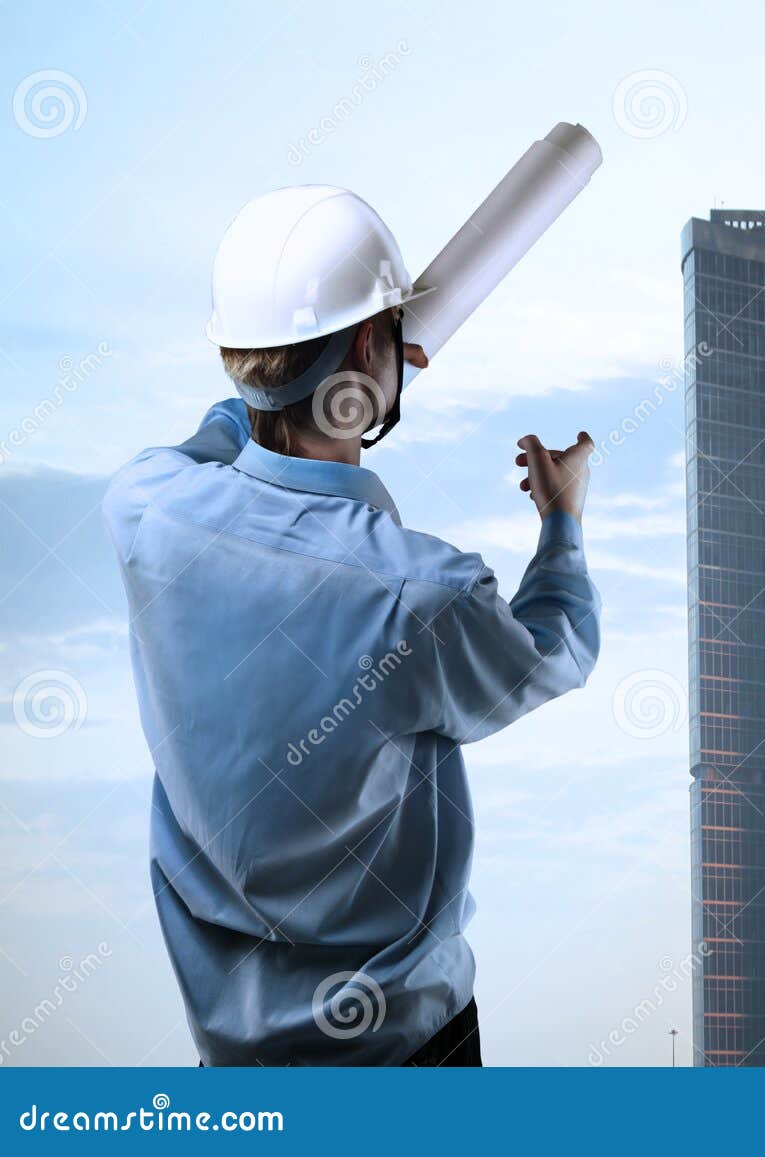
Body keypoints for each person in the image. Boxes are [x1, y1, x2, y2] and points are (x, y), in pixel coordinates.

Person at [101, 186, 600, 1066]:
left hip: (231, 1064)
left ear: (235, 355)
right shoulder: (423, 594)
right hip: (406, 1058)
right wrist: (562, 519)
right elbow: (554, 652)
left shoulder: (145, 508)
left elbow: (228, 429)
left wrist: (346, 383)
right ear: (372, 342)